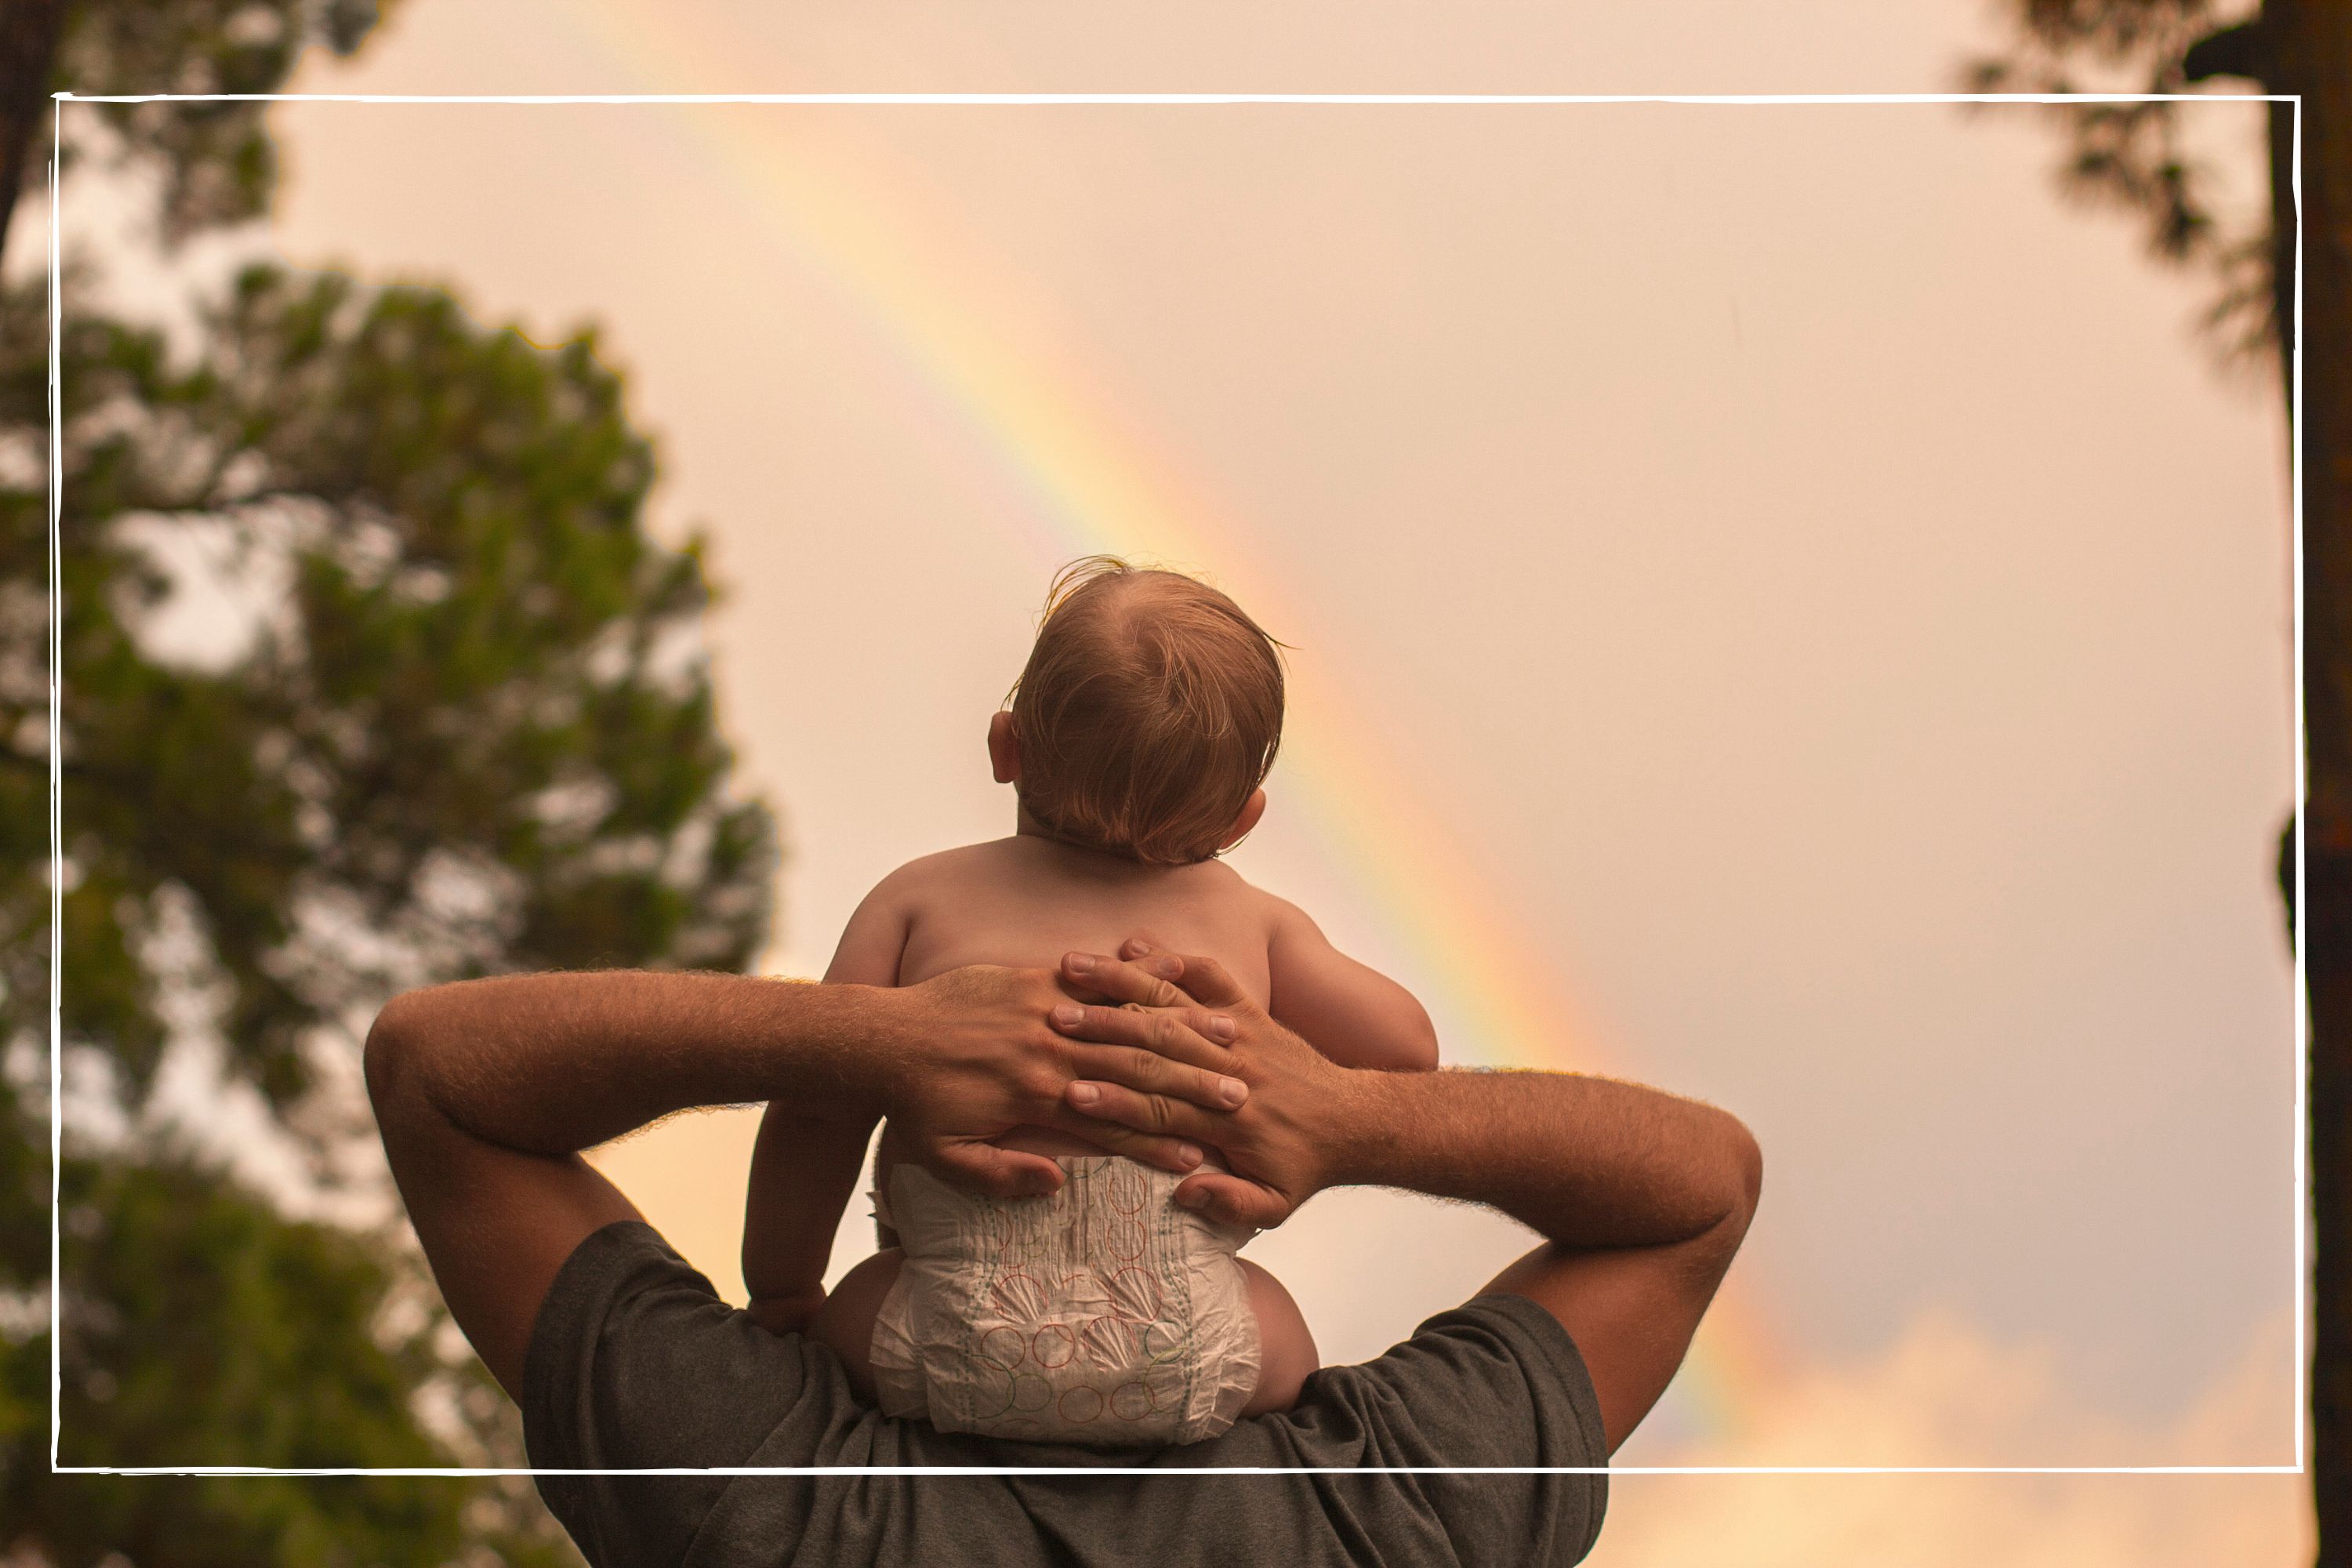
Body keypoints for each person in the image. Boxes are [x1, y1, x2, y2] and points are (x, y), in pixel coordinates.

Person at [365, 942, 1760, 1566]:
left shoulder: (780, 1513)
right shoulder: (1372, 1523)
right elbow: (1698, 1188)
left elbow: (439, 1073)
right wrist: (1345, 1113)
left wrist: (880, 1041)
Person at [741, 558, 1439, 1445]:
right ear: (1240, 820)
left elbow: (814, 1107)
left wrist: (786, 1290)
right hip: (1187, 1343)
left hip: (942, 1333)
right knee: (1286, 1335)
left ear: (1006, 745)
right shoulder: (1250, 920)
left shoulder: (918, 897)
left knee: (853, 1313)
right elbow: (1409, 1051)